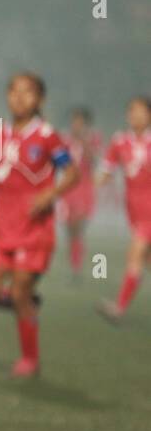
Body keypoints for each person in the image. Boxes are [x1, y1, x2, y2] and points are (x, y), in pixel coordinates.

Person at [0, 72, 77, 375]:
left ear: (40, 99)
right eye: (13, 91)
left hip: (34, 231)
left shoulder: (46, 136)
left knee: (19, 292)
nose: (19, 97)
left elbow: (72, 173)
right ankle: (27, 305)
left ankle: (30, 359)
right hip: (0, 228)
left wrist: (50, 194)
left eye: (27, 92)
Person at [95, 96, 151, 322]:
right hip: (134, 210)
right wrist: (93, 180)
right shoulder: (120, 141)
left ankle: (119, 307)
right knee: (146, 260)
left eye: (141, 111)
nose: (135, 115)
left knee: (135, 255)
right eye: (132, 111)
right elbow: (106, 171)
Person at [58, 106, 101, 280]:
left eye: (80, 122)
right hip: (68, 189)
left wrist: (84, 142)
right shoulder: (65, 140)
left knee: (78, 228)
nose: (76, 125)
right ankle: (74, 267)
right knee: (70, 230)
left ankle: (77, 269)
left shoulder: (93, 139)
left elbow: (94, 162)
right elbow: (59, 161)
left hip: (84, 189)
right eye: (74, 121)